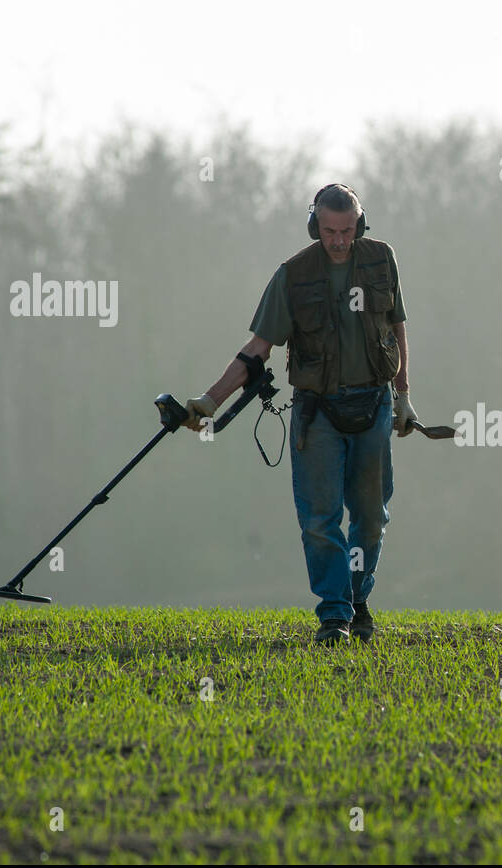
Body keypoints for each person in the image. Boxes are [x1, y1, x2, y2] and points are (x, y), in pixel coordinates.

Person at [182, 184, 418, 646]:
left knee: (370, 516)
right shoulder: (293, 276)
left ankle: (356, 598)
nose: (338, 240)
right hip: (319, 413)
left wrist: (404, 394)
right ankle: (335, 615)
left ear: (360, 223)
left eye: (347, 230)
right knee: (319, 519)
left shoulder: (380, 259)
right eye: (329, 231)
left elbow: (396, 326)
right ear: (315, 225)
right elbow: (257, 350)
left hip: (374, 404)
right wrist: (210, 401)